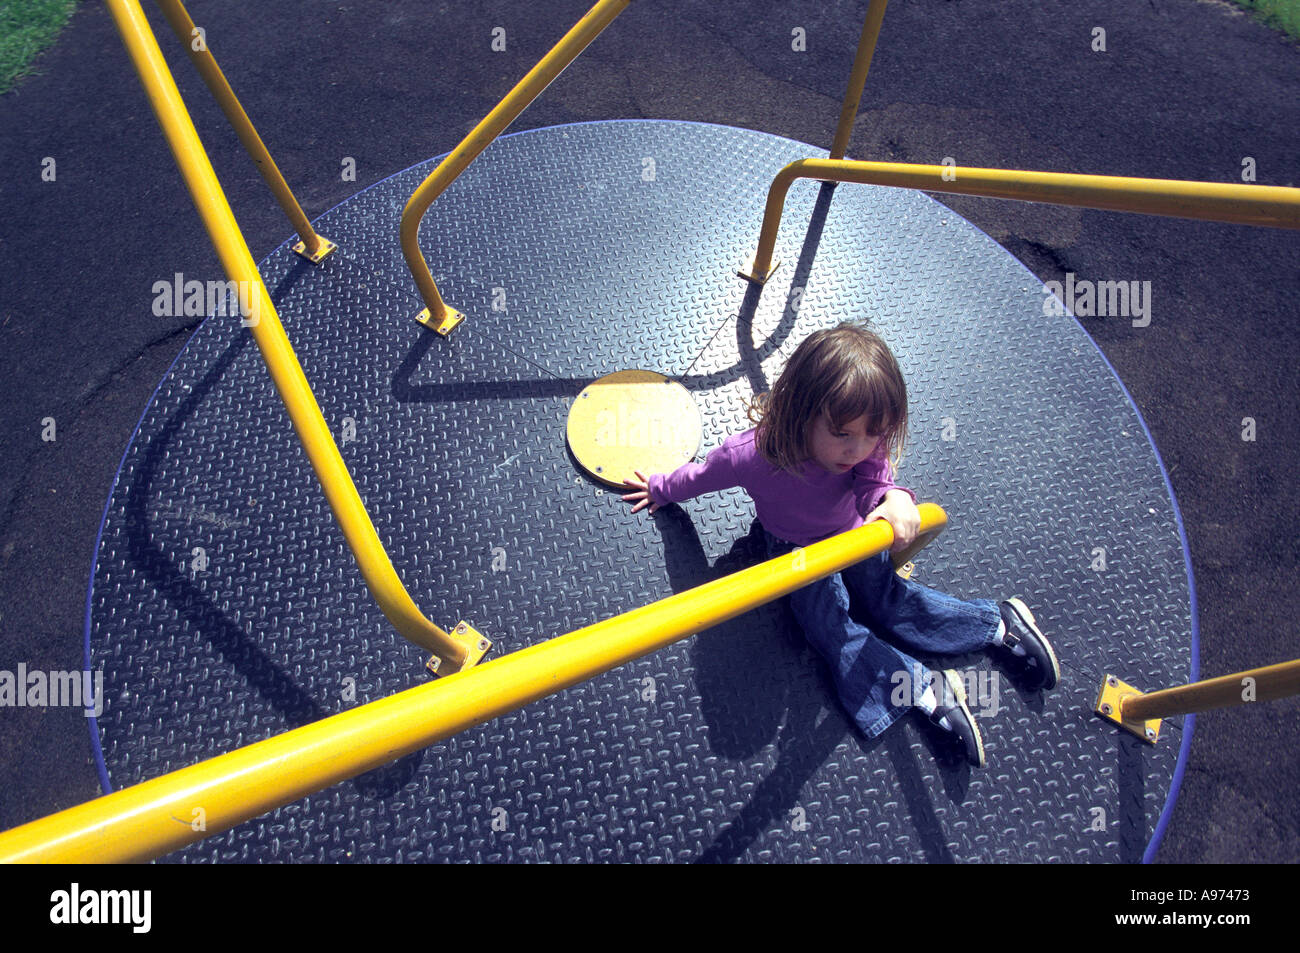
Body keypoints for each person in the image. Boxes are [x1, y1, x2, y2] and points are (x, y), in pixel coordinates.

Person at [620, 322, 1059, 767]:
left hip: (854, 536)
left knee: (887, 599)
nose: (860, 448)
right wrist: (659, 488)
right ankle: (922, 688)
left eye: (873, 435)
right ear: (800, 411)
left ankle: (995, 624)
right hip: (798, 552)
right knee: (828, 625)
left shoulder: (865, 445)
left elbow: (875, 483)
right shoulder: (751, 456)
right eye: (844, 434)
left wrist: (892, 499)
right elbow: (701, 477)